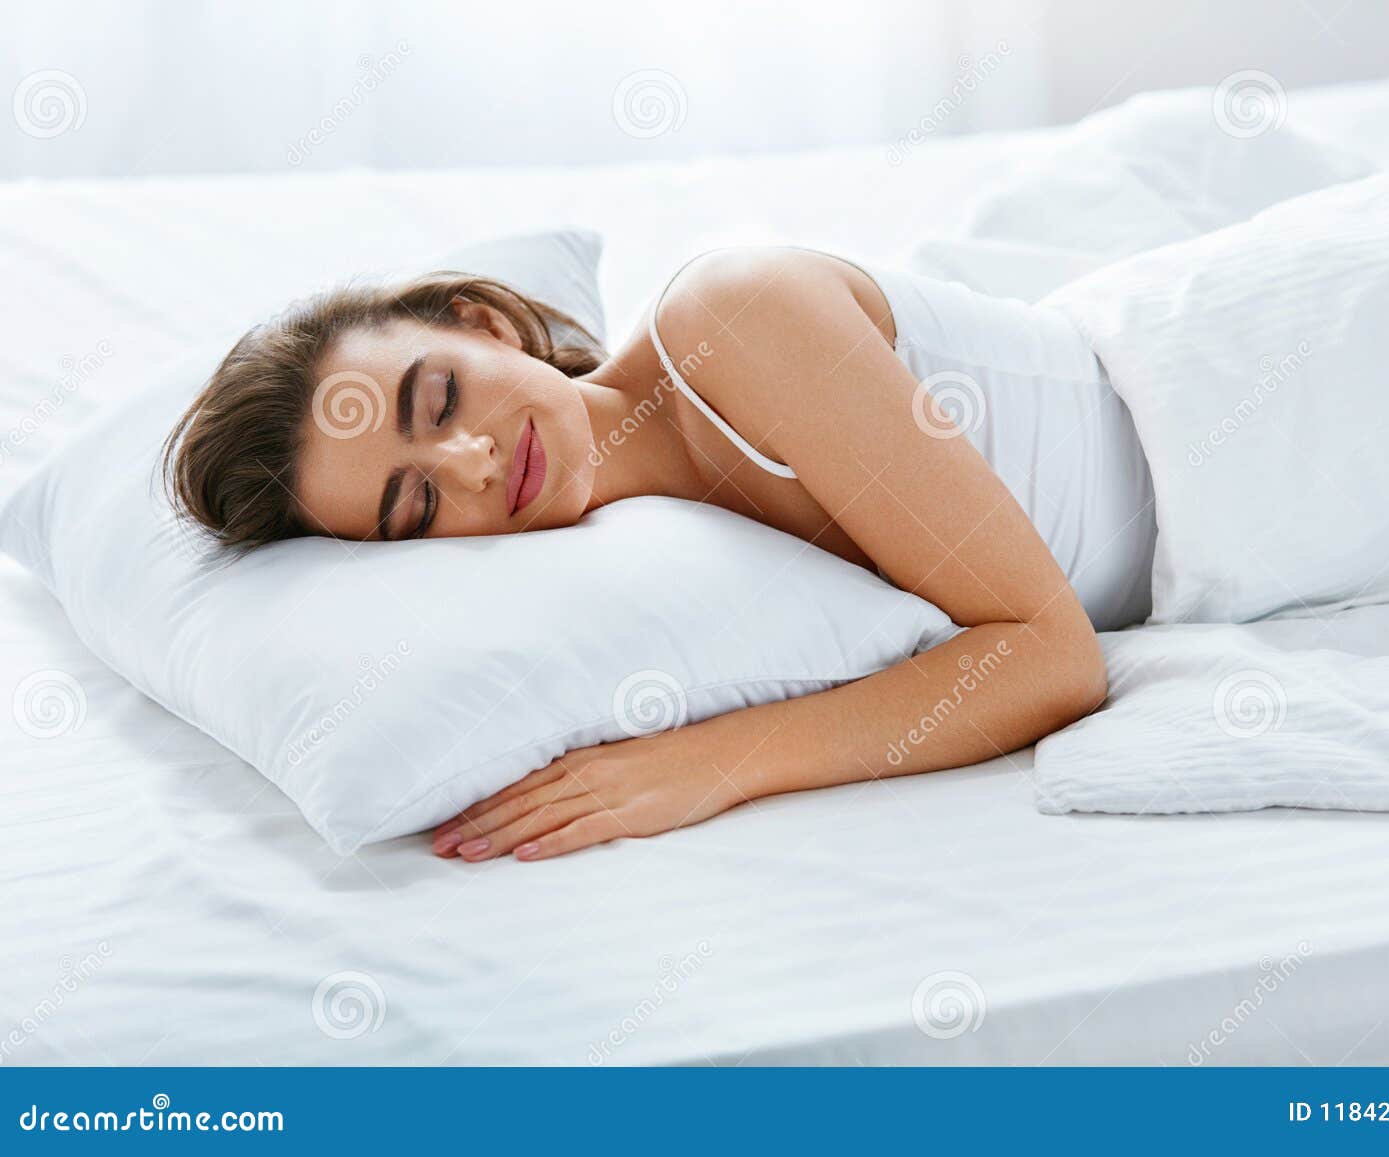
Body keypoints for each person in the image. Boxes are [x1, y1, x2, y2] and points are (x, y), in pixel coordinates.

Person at [164, 247, 1156, 862]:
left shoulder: (730, 318)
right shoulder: (630, 554)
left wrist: (710, 764)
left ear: (485, 323)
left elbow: (1051, 655)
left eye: (441, 398)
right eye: (414, 502)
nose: (470, 464)